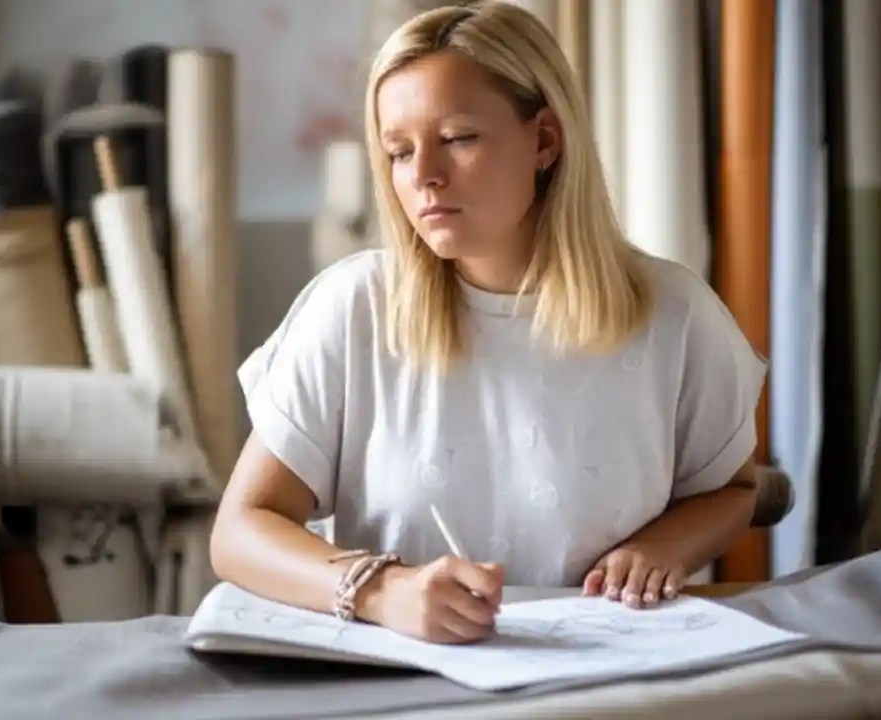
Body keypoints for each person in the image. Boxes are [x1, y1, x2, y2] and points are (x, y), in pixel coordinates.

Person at [210, 0, 766, 646]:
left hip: (607, 685)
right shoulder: (352, 309)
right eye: (398, 151)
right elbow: (240, 529)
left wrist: (664, 547)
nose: (423, 177)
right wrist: (382, 590)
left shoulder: (676, 314)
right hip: (405, 684)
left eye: (457, 139)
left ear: (546, 140)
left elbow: (735, 490)